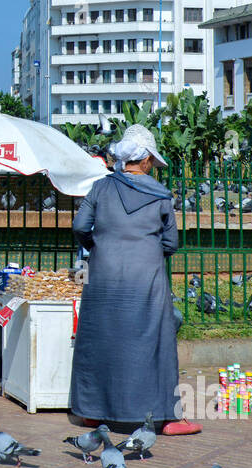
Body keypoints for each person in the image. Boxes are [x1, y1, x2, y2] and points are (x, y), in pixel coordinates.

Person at [69, 125, 199, 435]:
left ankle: (91, 412)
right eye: (152, 160)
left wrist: (99, 248)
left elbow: (79, 226)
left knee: (98, 339)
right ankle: (166, 418)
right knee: (156, 342)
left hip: (102, 275)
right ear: (144, 161)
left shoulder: (101, 188)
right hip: (146, 279)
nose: (152, 165)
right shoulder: (160, 196)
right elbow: (171, 244)